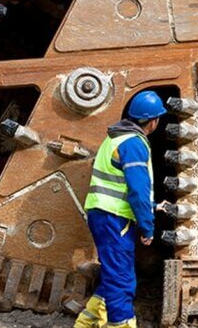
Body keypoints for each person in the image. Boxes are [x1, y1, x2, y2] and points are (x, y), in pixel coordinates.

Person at [75, 90, 168, 328]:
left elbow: (118, 185)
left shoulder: (114, 139)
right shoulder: (134, 144)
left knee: (113, 275)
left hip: (102, 213)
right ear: (153, 121)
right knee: (122, 280)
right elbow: (137, 189)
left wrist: (154, 206)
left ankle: (87, 323)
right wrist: (147, 228)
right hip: (115, 219)